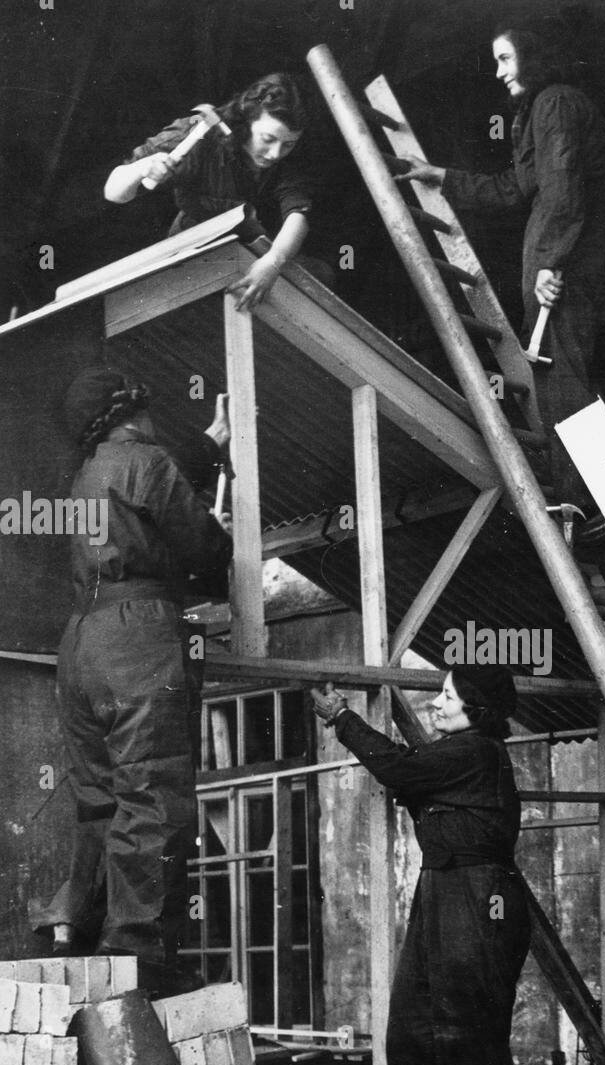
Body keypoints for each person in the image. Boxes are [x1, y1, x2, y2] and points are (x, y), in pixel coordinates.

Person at [311, 667, 531, 1065]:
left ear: (476, 710)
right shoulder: (456, 757)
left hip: (480, 895)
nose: (436, 703)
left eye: (448, 696)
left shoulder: (476, 751)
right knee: (407, 1043)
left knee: (469, 1046)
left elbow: (401, 769)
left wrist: (343, 718)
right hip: (442, 892)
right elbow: (409, 774)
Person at [34, 368, 232, 993]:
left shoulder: (81, 479)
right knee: (153, 794)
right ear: (135, 413)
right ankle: (140, 962)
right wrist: (217, 526)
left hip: (81, 643)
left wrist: (204, 449)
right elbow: (206, 548)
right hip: (138, 635)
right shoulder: (147, 460)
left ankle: (76, 929)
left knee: (102, 799)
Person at [399, 24, 605, 510]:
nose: (499, 72)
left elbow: (562, 189)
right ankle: (580, 491)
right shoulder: (539, 110)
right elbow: (514, 188)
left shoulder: (555, 103)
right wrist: (443, 177)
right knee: (557, 375)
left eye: (505, 58)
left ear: (532, 54)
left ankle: (584, 498)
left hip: (569, 263)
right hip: (561, 260)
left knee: (562, 375)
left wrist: (550, 263)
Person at [104, 73, 320, 312]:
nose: (275, 153)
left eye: (288, 144)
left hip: (258, 250)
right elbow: (113, 193)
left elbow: (298, 213)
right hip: (191, 245)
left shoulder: (293, 156)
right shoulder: (196, 135)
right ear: (247, 119)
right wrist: (143, 167)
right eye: (267, 139)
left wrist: (273, 261)